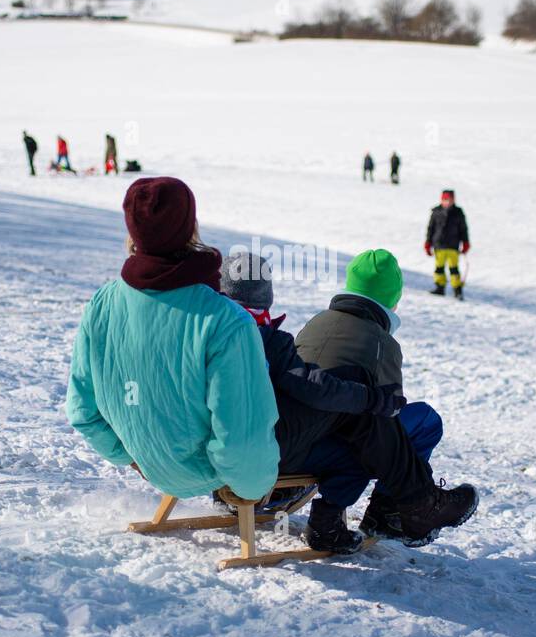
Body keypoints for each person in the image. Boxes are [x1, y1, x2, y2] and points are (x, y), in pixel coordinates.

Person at [66, 177, 279, 504]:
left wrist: (130, 456)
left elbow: (82, 409)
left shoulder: (102, 303)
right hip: (209, 471)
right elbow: (241, 441)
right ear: (190, 227)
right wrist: (254, 489)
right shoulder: (226, 320)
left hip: (148, 462)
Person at [290, 250, 478, 552]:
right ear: (392, 299)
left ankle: (382, 510)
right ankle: (389, 513)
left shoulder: (317, 323)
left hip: (282, 441)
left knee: (359, 424)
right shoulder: (381, 342)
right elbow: (385, 420)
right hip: (315, 450)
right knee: (422, 421)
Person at [216, 251, 405, 515]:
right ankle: (325, 520)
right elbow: (313, 387)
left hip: (203, 450)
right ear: (265, 295)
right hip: (252, 455)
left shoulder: (199, 331)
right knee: (352, 454)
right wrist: (370, 398)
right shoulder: (267, 341)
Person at [425, 189, 469, 299]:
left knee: (453, 269)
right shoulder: (436, 212)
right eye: (445, 199)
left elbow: (463, 229)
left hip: (453, 246)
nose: (447, 202)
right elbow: (430, 228)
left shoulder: (458, 213)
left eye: (450, 200)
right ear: (441, 199)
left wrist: (465, 242)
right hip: (438, 245)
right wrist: (428, 243)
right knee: (439, 267)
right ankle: (440, 287)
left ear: (453, 200)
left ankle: (457, 290)